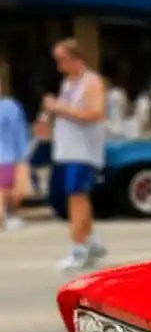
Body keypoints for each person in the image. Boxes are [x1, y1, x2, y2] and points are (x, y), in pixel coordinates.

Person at [44, 39, 108, 270]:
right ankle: (91, 241)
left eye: (62, 60)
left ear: (75, 59)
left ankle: (78, 246)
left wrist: (61, 108)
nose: (59, 66)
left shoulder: (92, 82)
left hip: (84, 151)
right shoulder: (67, 84)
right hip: (66, 150)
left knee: (76, 197)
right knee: (76, 196)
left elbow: (95, 113)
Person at [0, 81, 30, 230]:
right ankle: (8, 215)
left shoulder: (9, 107)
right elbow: (19, 135)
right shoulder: (10, 106)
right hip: (7, 159)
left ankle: (6, 215)